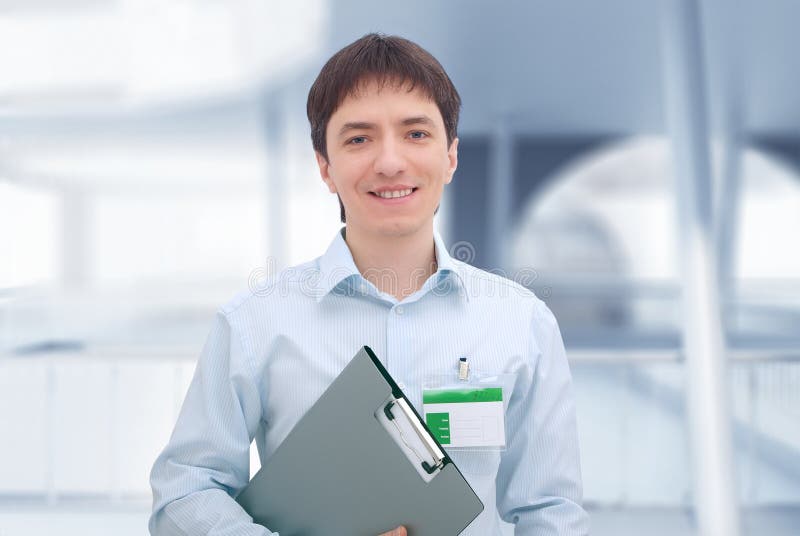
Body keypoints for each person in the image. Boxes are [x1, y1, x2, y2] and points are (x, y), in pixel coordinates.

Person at [149, 33, 589, 535]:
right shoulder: (256, 321)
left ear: (451, 157)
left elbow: (551, 512)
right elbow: (184, 489)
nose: (389, 162)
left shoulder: (520, 322)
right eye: (358, 138)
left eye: (416, 134)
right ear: (325, 167)